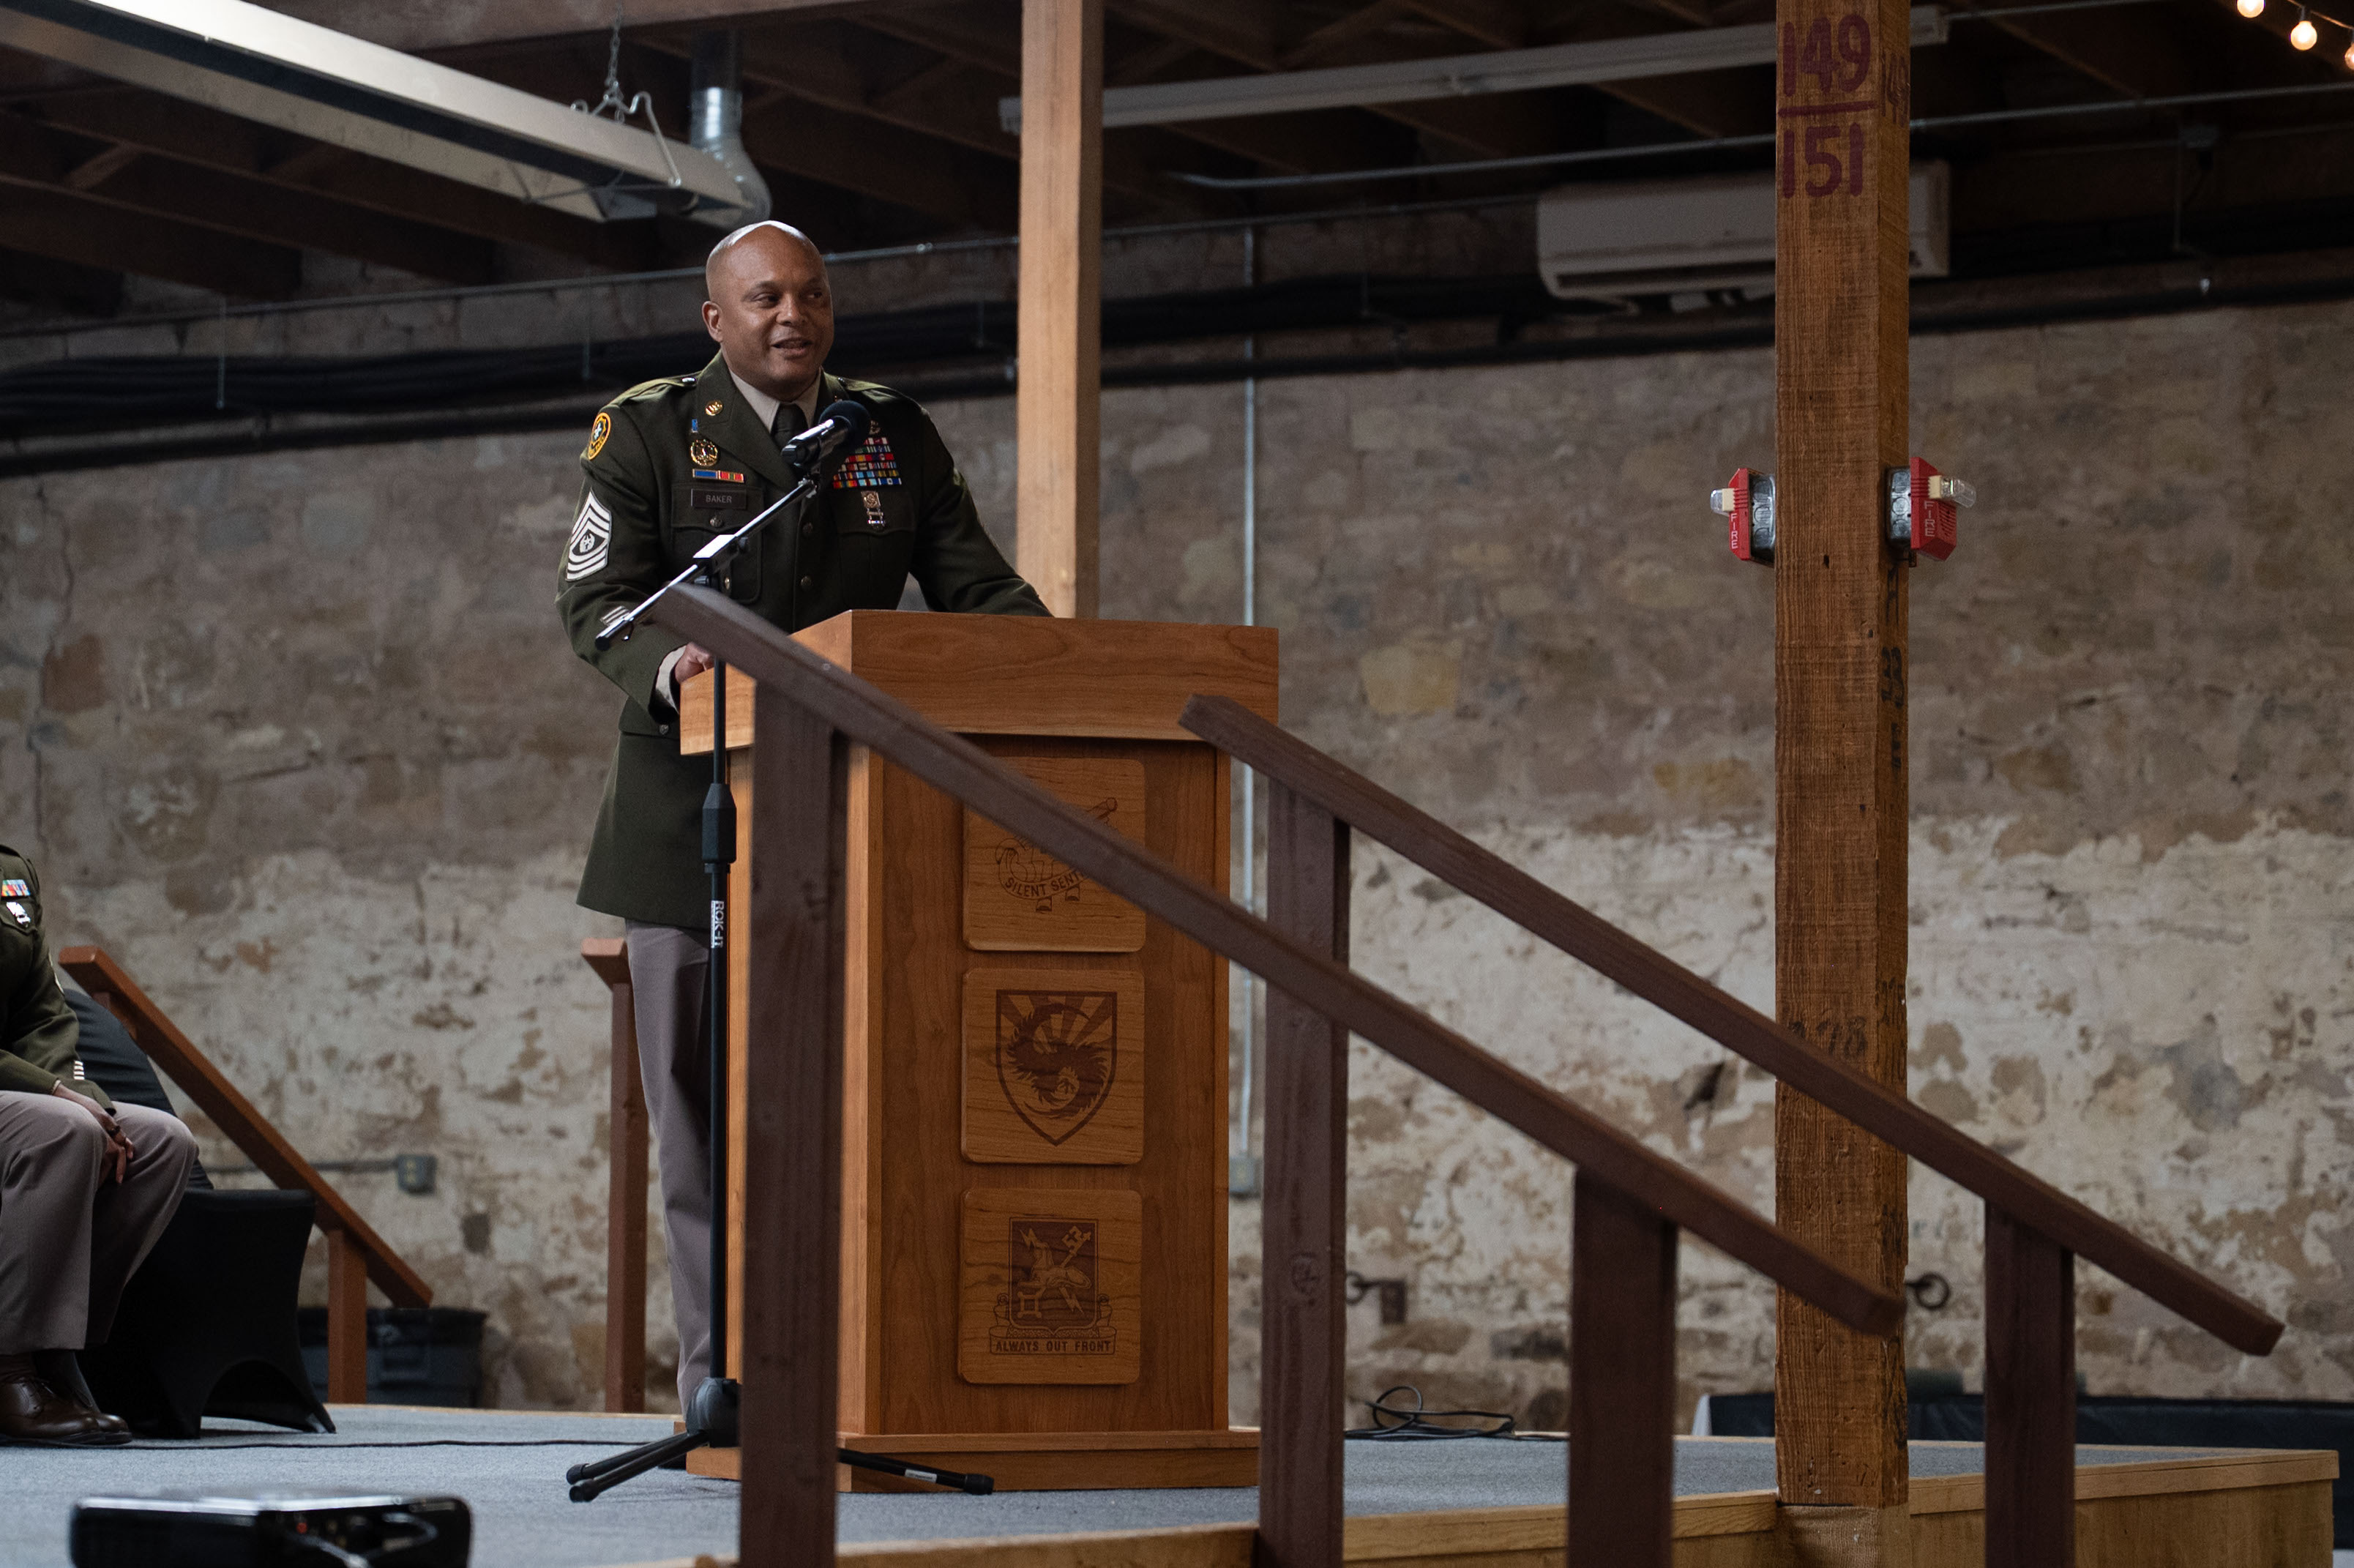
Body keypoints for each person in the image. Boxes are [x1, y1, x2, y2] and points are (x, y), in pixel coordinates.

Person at [557, 220, 1048, 1411]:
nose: (794, 315)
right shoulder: (651, 432)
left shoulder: (889, 432)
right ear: (715, 320)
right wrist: (676, 671)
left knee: (854, 1104)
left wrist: (1055, 667)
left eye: (812, 296)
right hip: (691, 822)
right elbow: (599, 601)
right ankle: (721, 1380)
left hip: (858, 820)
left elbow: (975, 588)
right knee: (698, 1122)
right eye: (766, 298)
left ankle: (851, 1366)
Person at [0, 843, 198, 1444]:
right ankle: (8, 1371)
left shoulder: (10, 873)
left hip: (19, 1088)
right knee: (65, 1128)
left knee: (162, 1143)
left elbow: (44, 1015)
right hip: (24, 1093)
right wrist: (55, 1092)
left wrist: (95, 1103)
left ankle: (50, 1351)